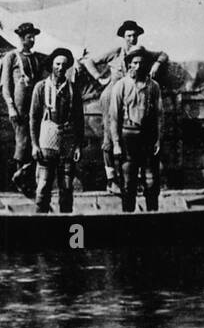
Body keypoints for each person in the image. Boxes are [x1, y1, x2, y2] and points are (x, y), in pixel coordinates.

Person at [84, 20, 170, 193]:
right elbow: (89, 61)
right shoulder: (116, 52)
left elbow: (163, 55)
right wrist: (100, 79)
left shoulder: (142, 52)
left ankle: (134, 179)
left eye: (135, 35)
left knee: (135, 135)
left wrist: (157, 64)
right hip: (113, 94)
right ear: (123, 37)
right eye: (129, 35)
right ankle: (111, 180)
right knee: (110, 135)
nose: (132, 38)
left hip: (132, 96)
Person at [106, 48, 165, 212]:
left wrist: (159, 139)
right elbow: (114, 117)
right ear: (129, 65)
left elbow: (160, 115)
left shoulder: (153, 86)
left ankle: (152, 216)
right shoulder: (121, 86)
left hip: (147, 137)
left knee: (151, 182)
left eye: (141, 63)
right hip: (128, 137)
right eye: (135, 63)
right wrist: (116, 144)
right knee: (128, 182)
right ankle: (128, 220)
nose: (138, 66)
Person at [29, 48, 86, 214]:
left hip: (67, 140)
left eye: (64, 65)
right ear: (52, 65)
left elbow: (79, 119)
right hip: (47, 139)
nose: (61, 68)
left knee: (67, 186)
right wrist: (34, 144)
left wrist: (77, 146)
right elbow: (33, 118)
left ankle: (65, 222)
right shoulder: (41, 87)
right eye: (57, 64)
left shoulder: (73, 89)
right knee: (44, 185)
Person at [0, 22, 44, 195]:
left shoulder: (34, 58)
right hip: (19, 106)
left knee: (35, 140)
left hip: (34, 105)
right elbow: (6, 85)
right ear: (21, 38)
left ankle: (29, 178)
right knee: (22, 141)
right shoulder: (11, 56)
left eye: (33, 37)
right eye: (28, 37)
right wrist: (10, 107)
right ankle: (20, 178)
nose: (32, 40)